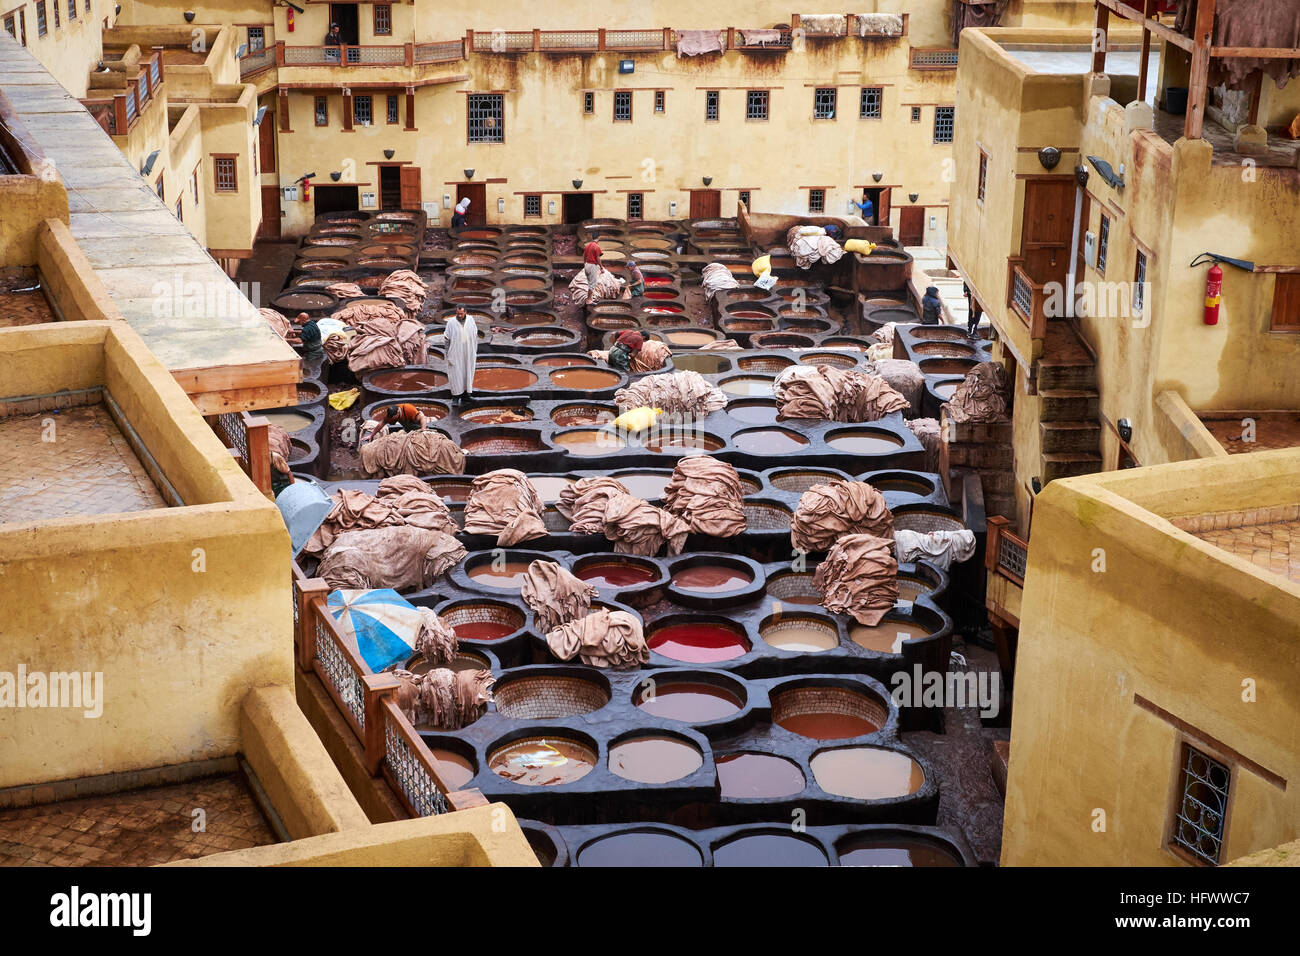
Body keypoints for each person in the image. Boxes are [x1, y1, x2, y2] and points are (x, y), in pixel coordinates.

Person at [359, 403, 429, 448]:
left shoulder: (408, 409)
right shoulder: (391, 415)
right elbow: (381, 423)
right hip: (408, 431)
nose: (392, 419)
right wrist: (371, 435)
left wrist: (423, 430)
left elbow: (422, 417)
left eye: (394, 417)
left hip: (419, 429)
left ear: (398, 412)